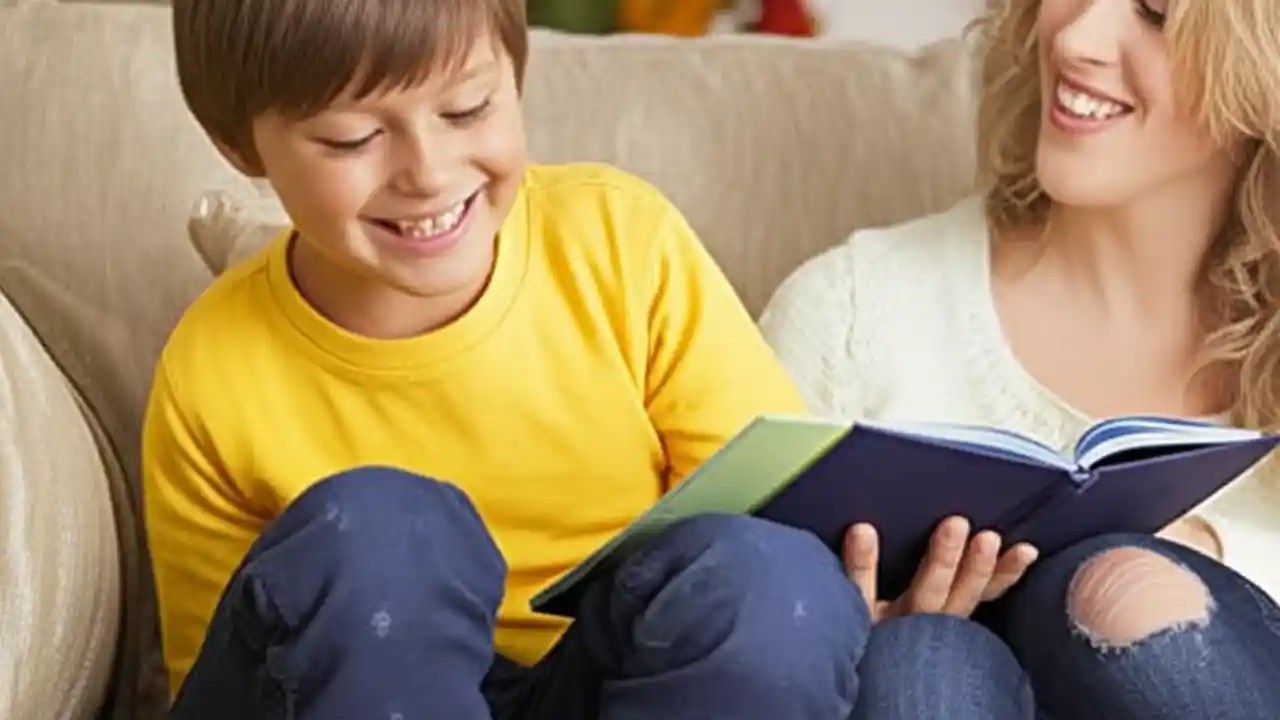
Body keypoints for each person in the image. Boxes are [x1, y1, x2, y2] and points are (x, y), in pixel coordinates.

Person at [144, 1, 1043, 718]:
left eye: (467, 108)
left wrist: (850, 609)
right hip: (347, 687)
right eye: (352, 139)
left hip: (605, 683)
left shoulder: (618, 240)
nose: (426, 170)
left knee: (768, 573)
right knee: (385, 525)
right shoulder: (212, 366)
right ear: (239, 146)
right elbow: (227, 668)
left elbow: (776, 522)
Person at [761, 0, 1280, 716]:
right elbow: (736, 634)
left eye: (1156, 12)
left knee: (1124, 588)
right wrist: (834, 635)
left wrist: (1198, 557)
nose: (1074, 35)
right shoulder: (850, 314)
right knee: (921, 662)